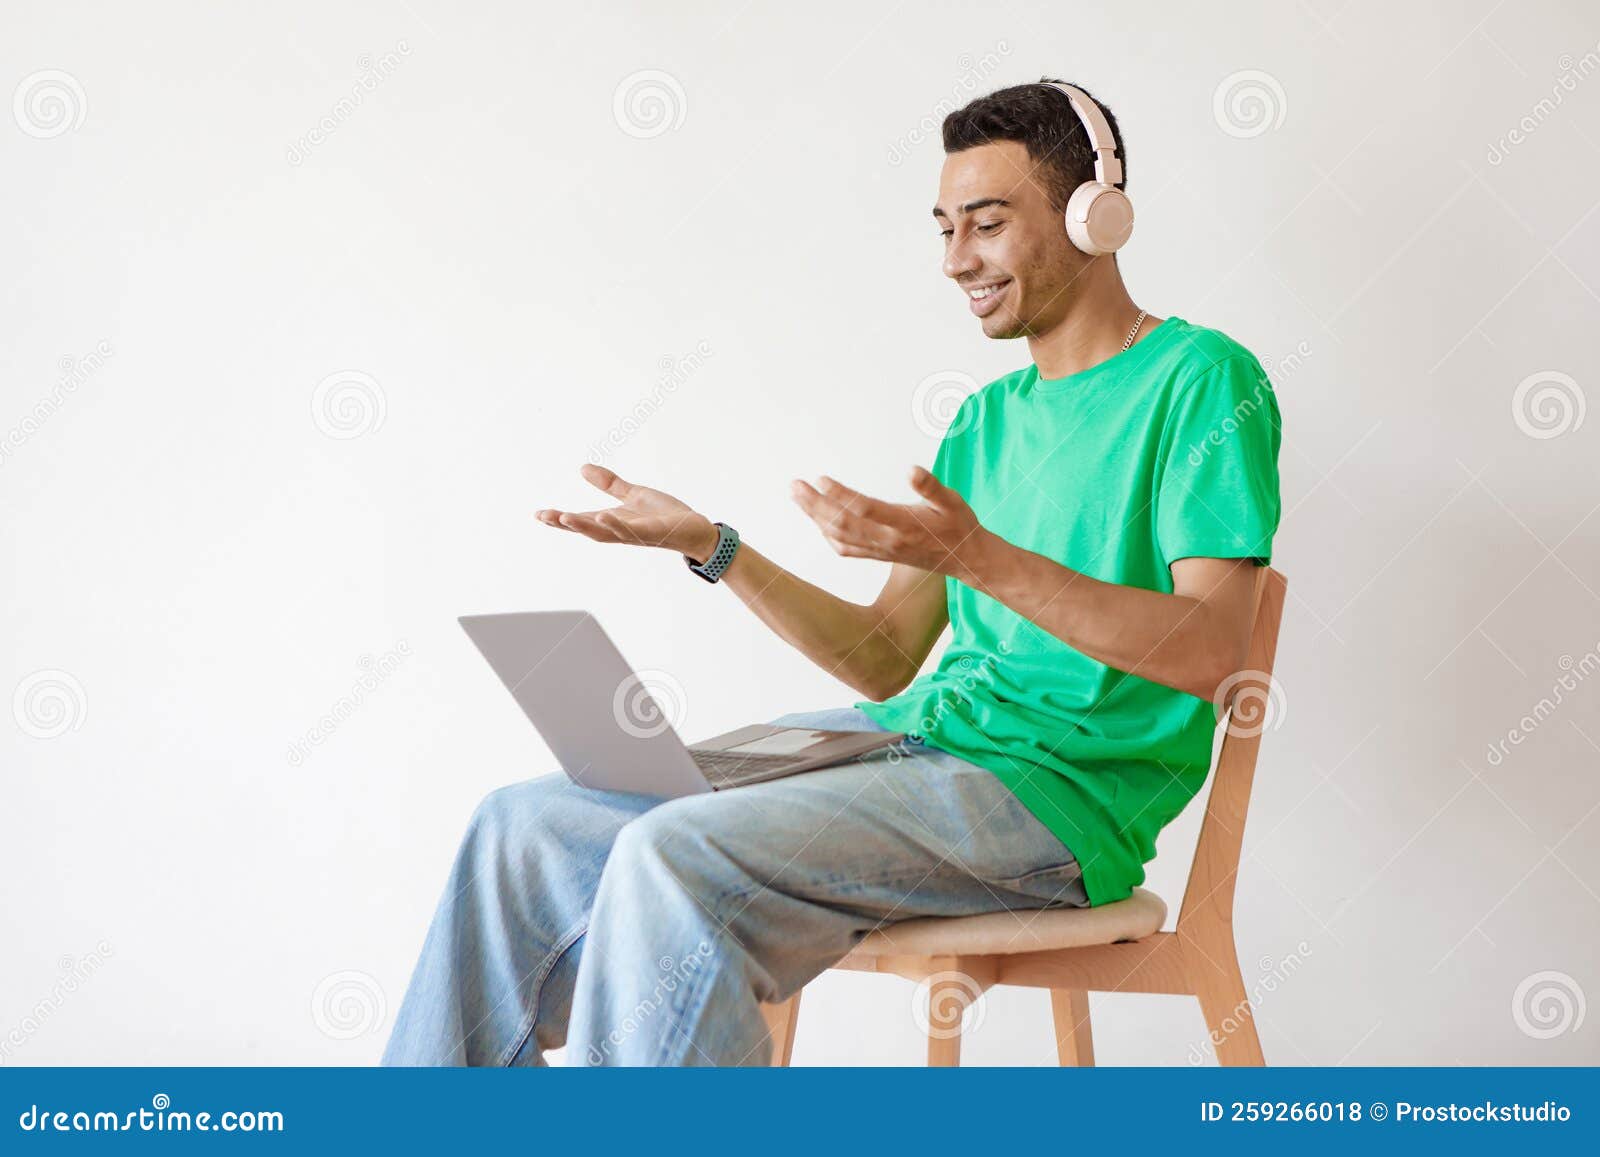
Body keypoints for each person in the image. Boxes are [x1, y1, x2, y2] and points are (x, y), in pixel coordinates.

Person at [383, 77, 1282, 1067]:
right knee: (524, 824)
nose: (955, 261)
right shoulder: (983, 421)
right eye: (943, 228)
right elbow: (884, 655)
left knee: (672, 854)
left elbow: (1208, 650)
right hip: (904, 741)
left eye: (985, 224)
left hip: (1047, 796)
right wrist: (713, 547)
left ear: (1093, 214)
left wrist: (975, 555)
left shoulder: (1199, 379)